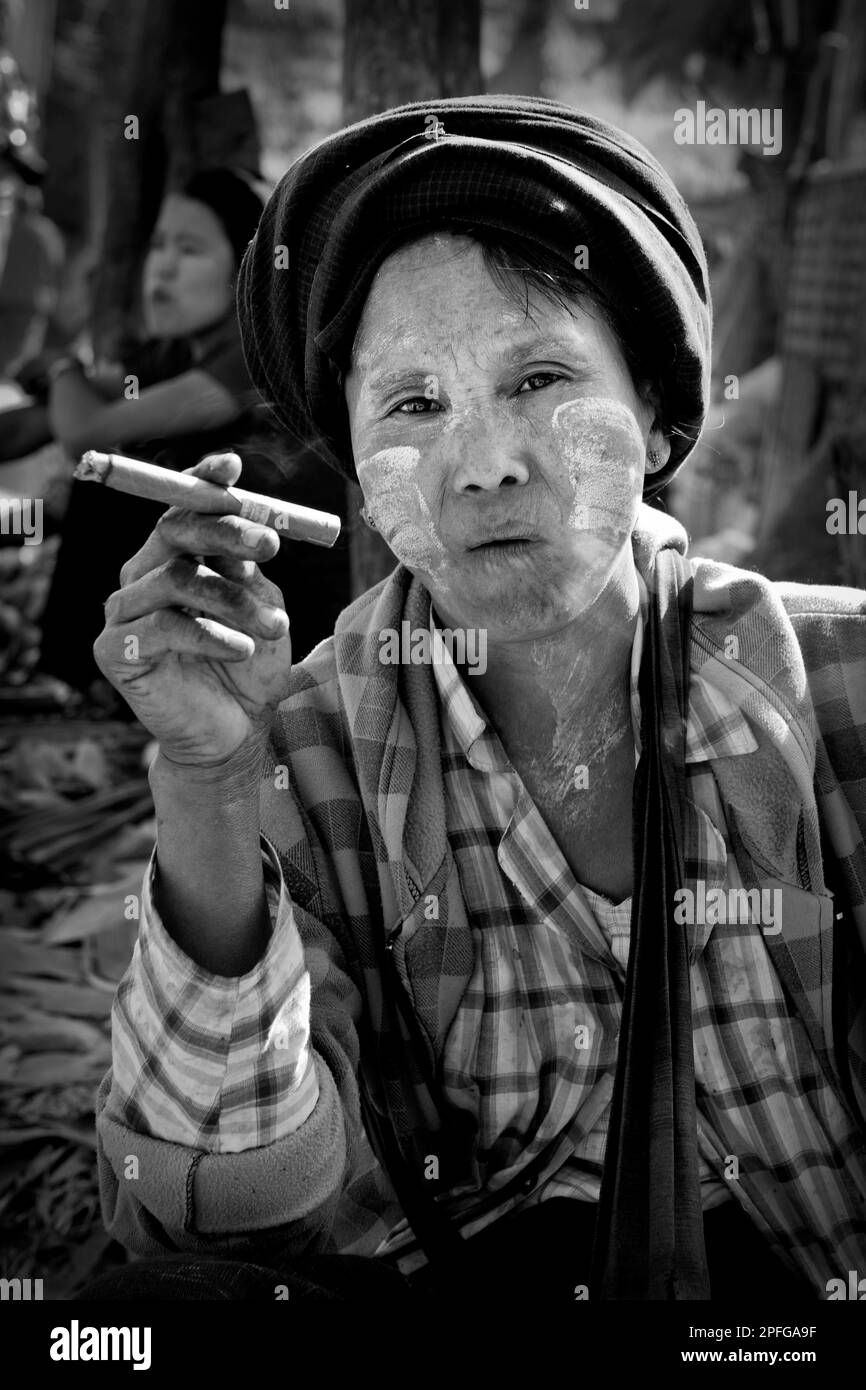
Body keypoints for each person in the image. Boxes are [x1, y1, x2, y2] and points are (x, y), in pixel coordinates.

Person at [84, 97, 865, 1304]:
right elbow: (229, 1206)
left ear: (655, 415)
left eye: (540, 375)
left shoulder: (835, 686)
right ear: (352, 461)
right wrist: (206, 780)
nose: (485, 461)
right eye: (413, 404)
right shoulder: (307, 748)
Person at [35, 167, 348, 691]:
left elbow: (83, 432)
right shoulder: (173, 357)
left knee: (117, 484)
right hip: (237, 579)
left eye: (190, 250)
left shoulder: (252, 355)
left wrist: (63, 369)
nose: (163, 268)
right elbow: (39, 424)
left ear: (242, 271)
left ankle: (79, 680)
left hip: (288, 597)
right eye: (159, 246)